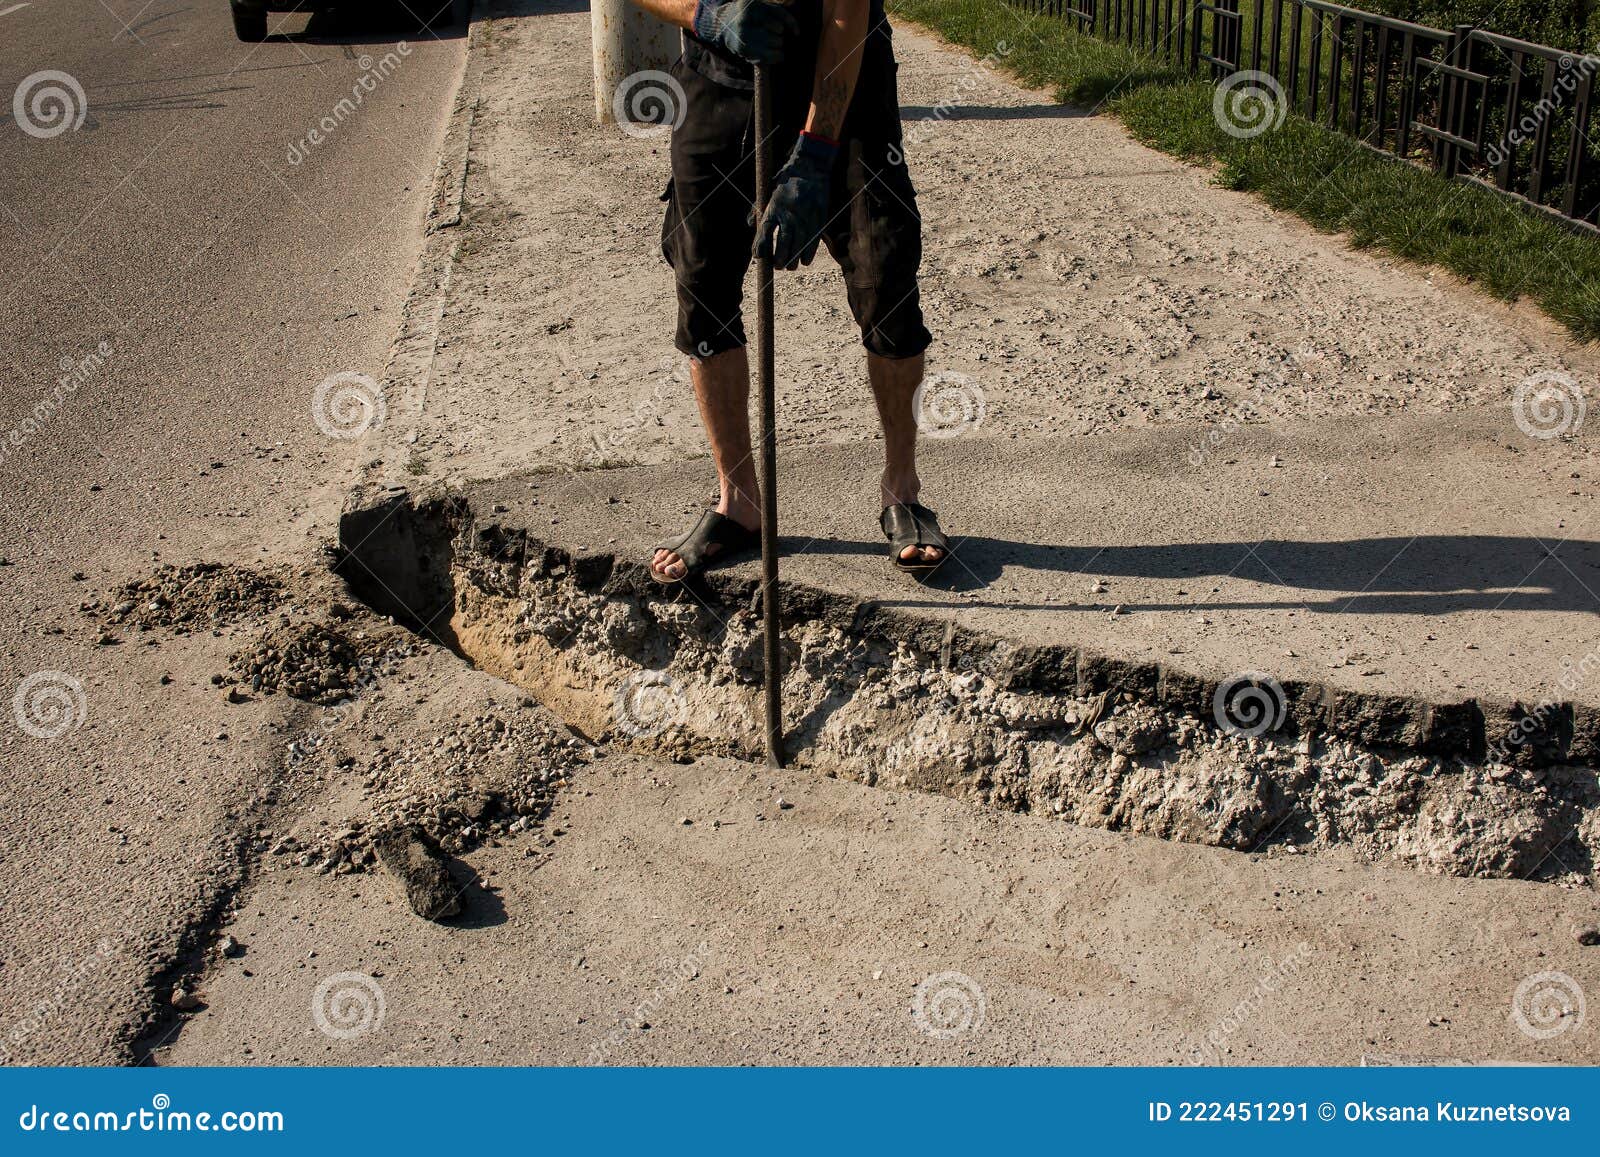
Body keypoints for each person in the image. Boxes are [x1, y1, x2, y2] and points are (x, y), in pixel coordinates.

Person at [627, 0, 951, 582]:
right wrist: (706, 16)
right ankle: (738, 501)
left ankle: (902, 489)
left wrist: (817, 153)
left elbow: (846, 11)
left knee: (887, 283)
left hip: (846, 79)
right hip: (719, 78)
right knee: (702, 290)